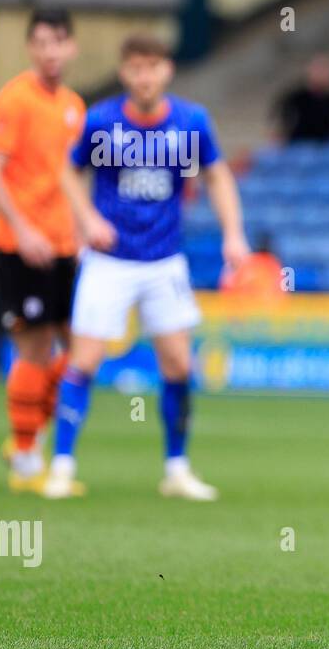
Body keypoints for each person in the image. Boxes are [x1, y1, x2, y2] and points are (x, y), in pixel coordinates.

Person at [45, 34, 249, 500]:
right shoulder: (101, 121)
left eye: (152, 67)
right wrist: (88, 219)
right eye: (136, 67)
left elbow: (217, 176)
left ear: (167, 71)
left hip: (163, 261)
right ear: (124, 72)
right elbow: (66, 170)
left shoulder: (191, 122)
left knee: (178, 363)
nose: (144, 76)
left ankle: (176, 469)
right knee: (85, 360)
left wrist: (234, 234)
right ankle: (61, 464)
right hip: (109, 261)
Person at [0, 9, 85, 494]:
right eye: (41, 42)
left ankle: (27, 433)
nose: (50, 51)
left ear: (71, 47)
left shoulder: (75, 106)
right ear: (29, 48)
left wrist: (80, 230)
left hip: (64, 247)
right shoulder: (14, 100)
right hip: (20, 247)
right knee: (37, 348)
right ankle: (24, 460)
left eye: (58, 41)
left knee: (81, 353)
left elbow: (73, 177)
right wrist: (22, 229)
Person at [273, 54, 329, 143]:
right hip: (301, 143)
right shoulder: (296, 97)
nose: (321, 74)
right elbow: (279, 116)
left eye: (324, 70)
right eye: (318, 70)